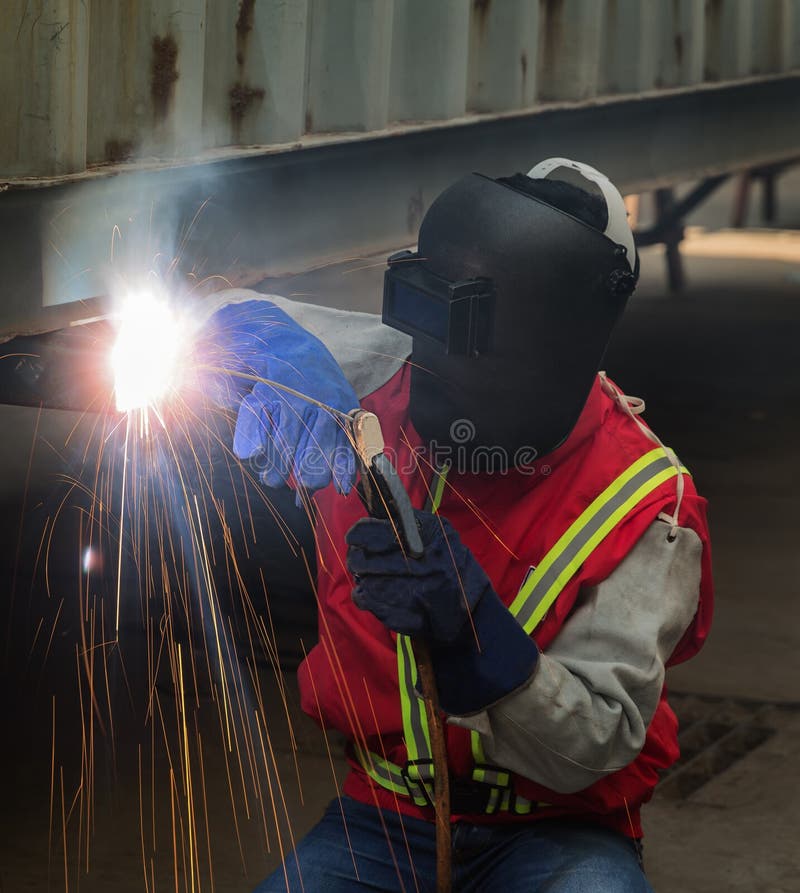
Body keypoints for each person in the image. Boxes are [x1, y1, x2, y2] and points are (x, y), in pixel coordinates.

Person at [199, 158, 713, 892]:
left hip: (554, 828)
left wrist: (475, 635)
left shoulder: (645, 504)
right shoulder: (381, 371)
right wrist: (244, 336)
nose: (432, 365)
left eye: (470, 332)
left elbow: (595, 742)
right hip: (384, 813)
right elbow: (175, 314)